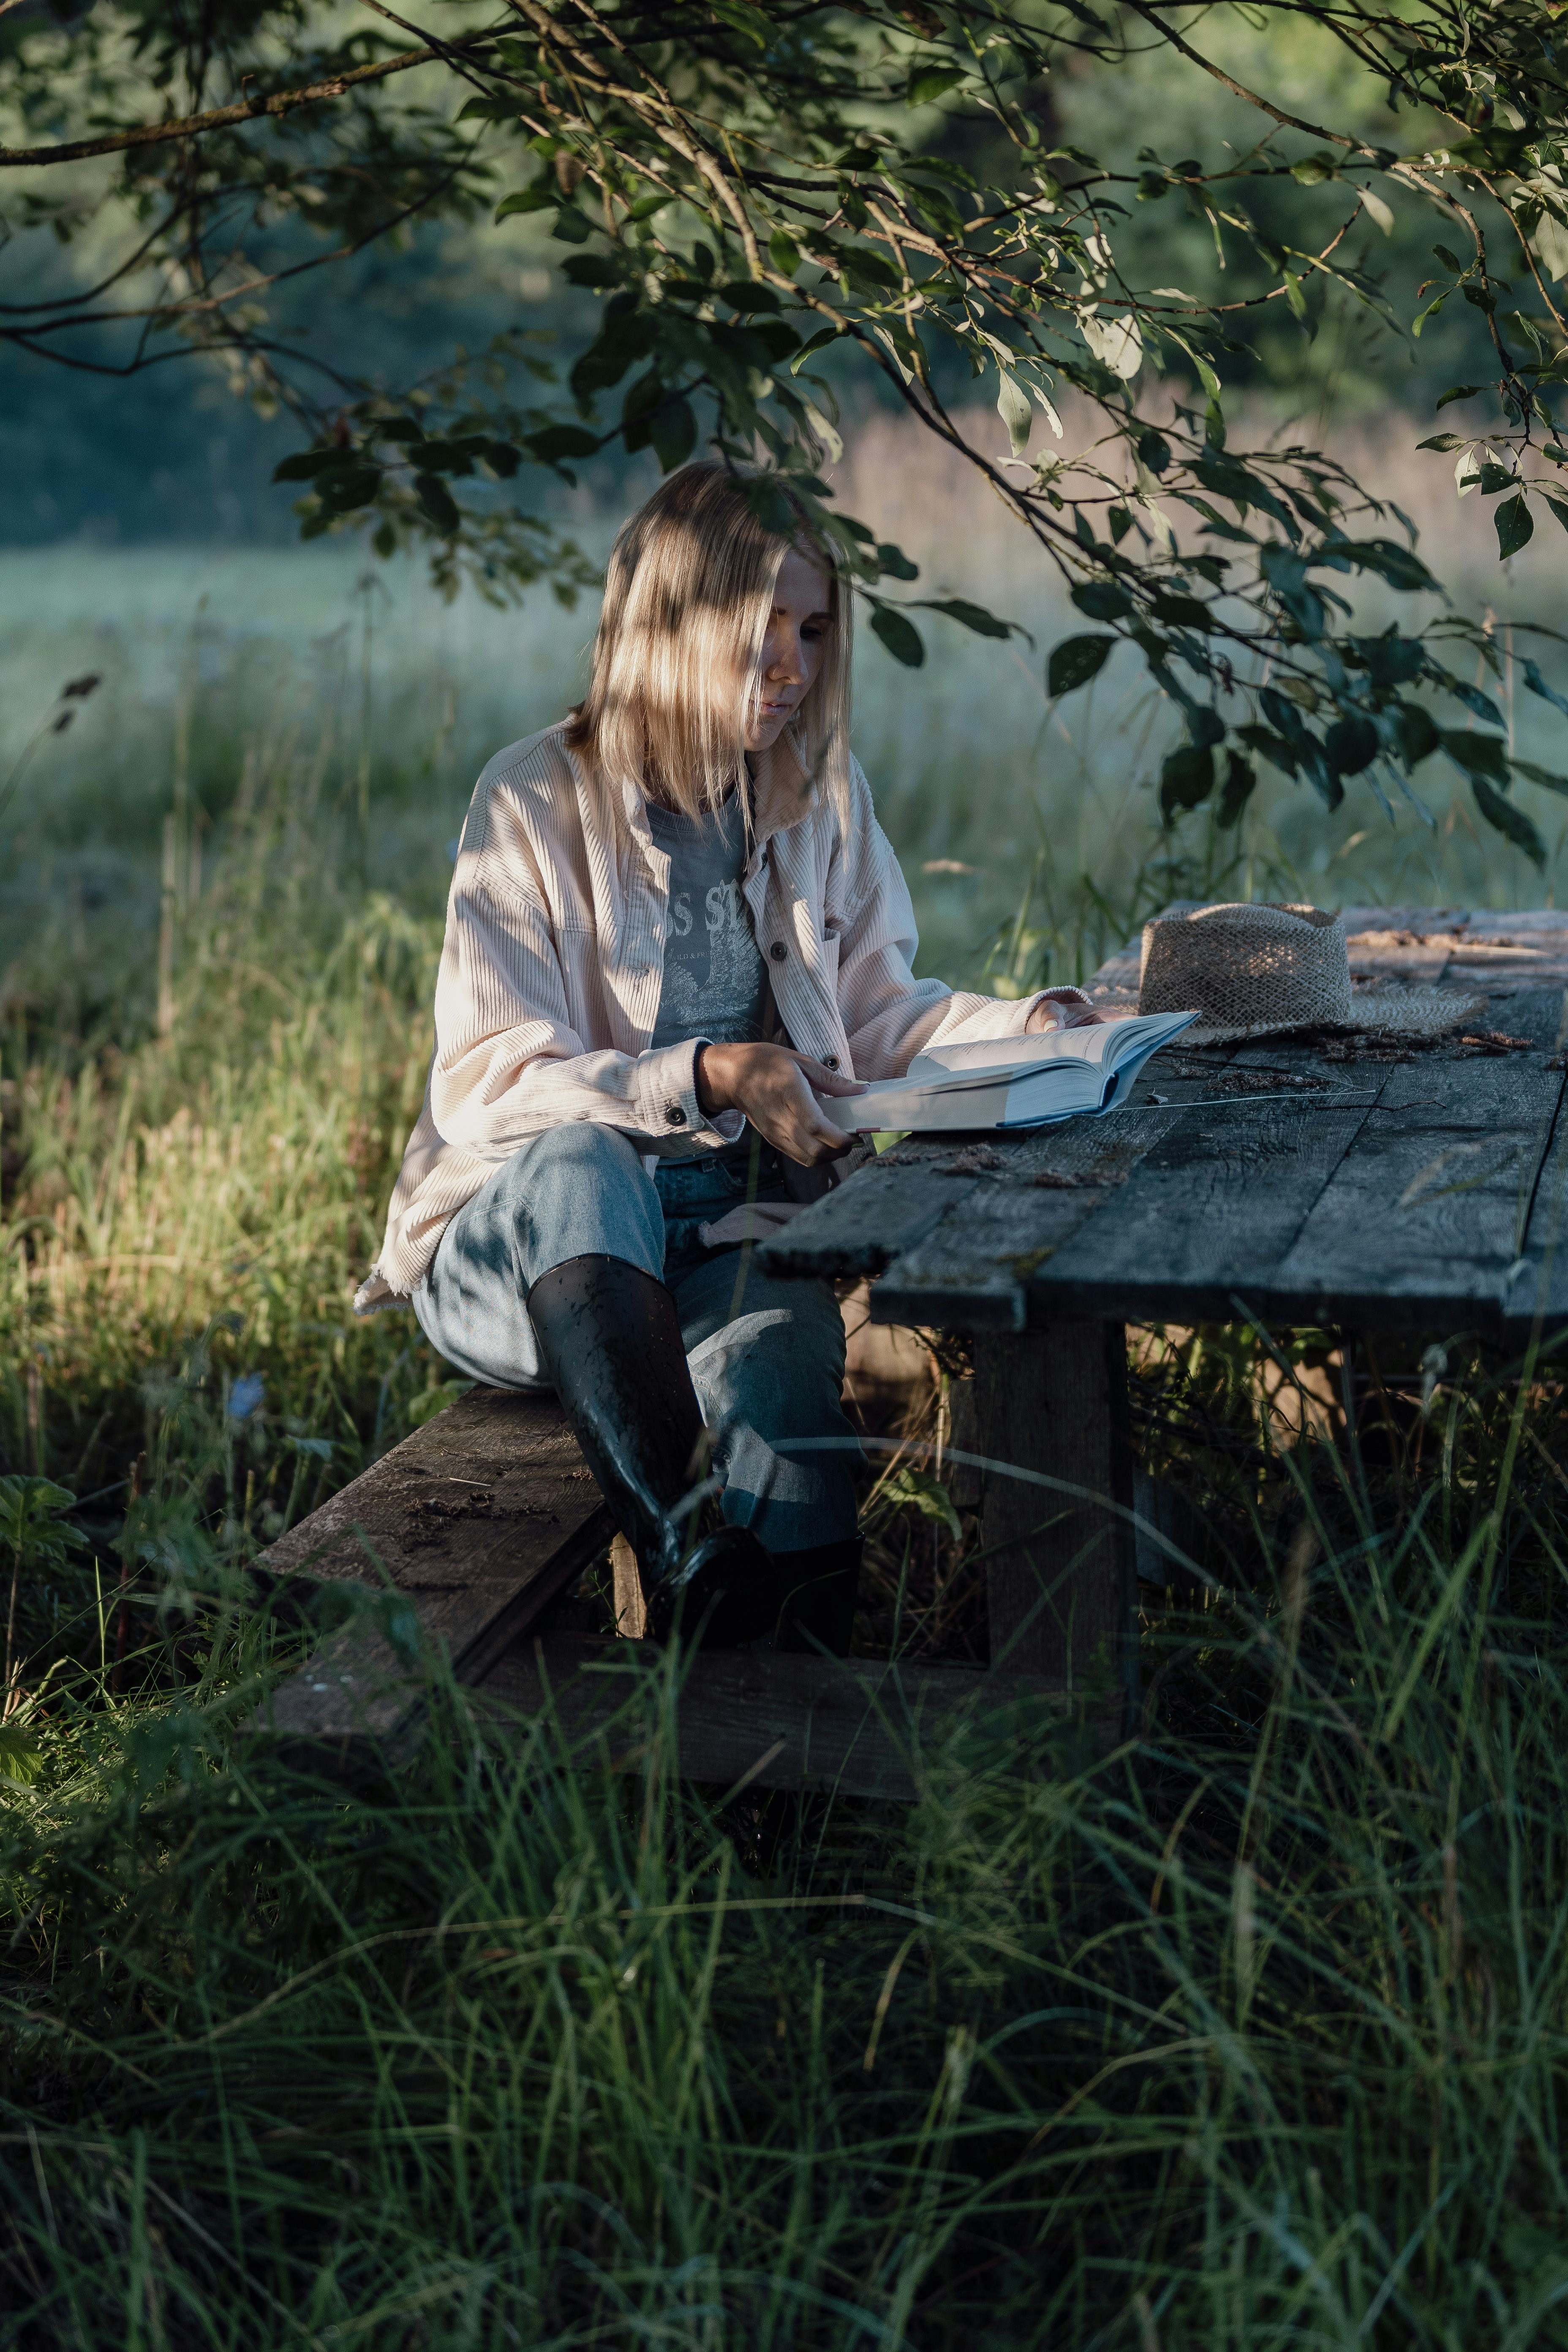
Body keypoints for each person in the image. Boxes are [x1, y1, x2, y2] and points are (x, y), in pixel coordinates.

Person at [355, 459, 1101, 1651]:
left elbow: (878, 1018)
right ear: (669, 626)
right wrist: (704, 1073)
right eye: (761, 634)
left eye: (812, 631)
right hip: (528, 1260)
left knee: (782, 1383)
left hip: (722, 1233)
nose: (794, 669)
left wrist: (1035, 1029)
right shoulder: (532, 805)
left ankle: (767, 1799)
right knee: (581, 1158)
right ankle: (680, 1535)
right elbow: (489, 1091)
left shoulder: (814, 796)